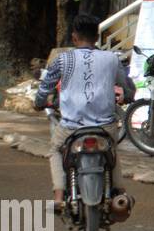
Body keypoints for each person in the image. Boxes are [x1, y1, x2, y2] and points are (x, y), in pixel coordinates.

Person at [33, 13, 136, 211]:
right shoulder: (112, 59)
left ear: (74, 37)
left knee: (55, 150)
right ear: (97, 37)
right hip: (104, 127)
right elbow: (129, 89)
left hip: (71, 127)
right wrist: (128, 96)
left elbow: (45, 89)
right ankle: (120, 193)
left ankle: (59, 195)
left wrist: (39, 103)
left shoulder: (63, 60)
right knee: (112, 150)